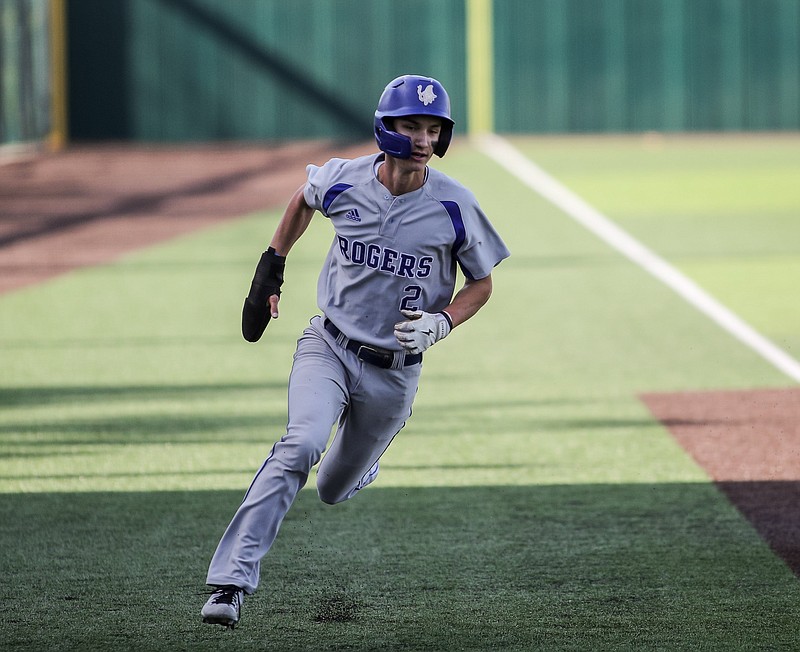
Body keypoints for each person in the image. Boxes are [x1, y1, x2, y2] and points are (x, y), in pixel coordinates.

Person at [201, 74, 510, 628]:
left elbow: (482, 284)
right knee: (300, 446)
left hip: (394, 376)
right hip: (330, 347)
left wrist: (442, 322)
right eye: (411, 125)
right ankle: (230, 583)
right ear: (385, 127)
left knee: (331, 490)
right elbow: (304, 198)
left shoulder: (455, 205)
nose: (422, 138)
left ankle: (361, 464)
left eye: (432, 128)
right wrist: (271, 264)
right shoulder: (345, 179)